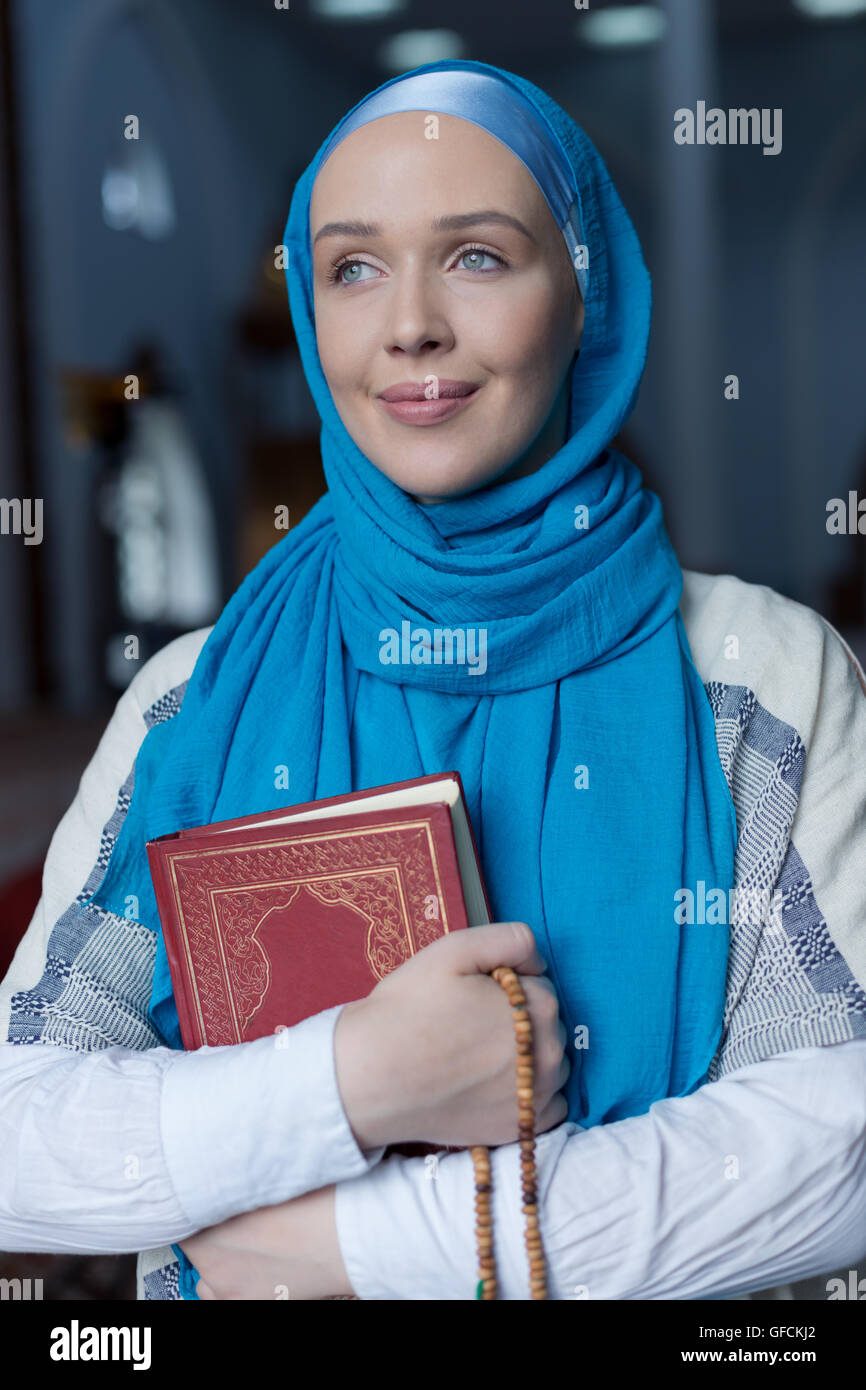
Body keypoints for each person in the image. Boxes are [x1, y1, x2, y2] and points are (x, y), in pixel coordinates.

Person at [1, 59, 864, 1302]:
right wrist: (359, 1079)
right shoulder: (195, 701)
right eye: (352, 266)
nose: (407, 323)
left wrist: (363, 1246)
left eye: (475, 255)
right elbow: (22, 1129)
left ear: (585, 296)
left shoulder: (755, 679)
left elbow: (832, 1143)